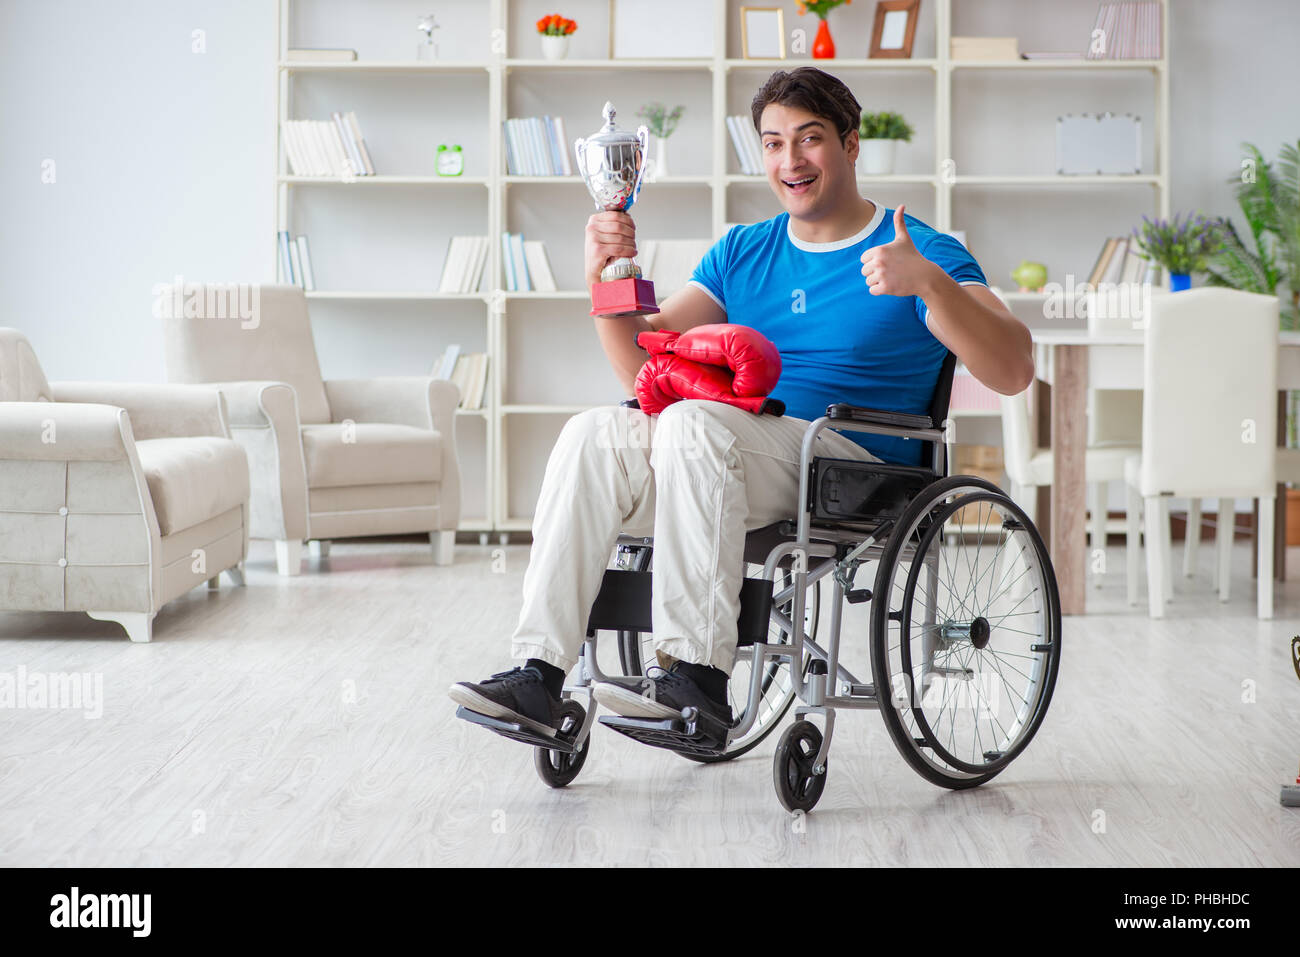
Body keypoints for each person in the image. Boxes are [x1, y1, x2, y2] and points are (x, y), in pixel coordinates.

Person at [449, 67, 1033, 743]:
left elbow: (1014, 366)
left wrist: (930, 285)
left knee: (695, 425)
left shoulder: (919, 247)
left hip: (852, 463)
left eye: (809, 140)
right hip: (731, 453)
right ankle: (538, 675)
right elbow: (647, 364)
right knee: (595, 433)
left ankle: (696, 678)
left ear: (851, 144)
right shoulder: (742, 252)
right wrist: (602, 280)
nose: (791, 161)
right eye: (774, 143)